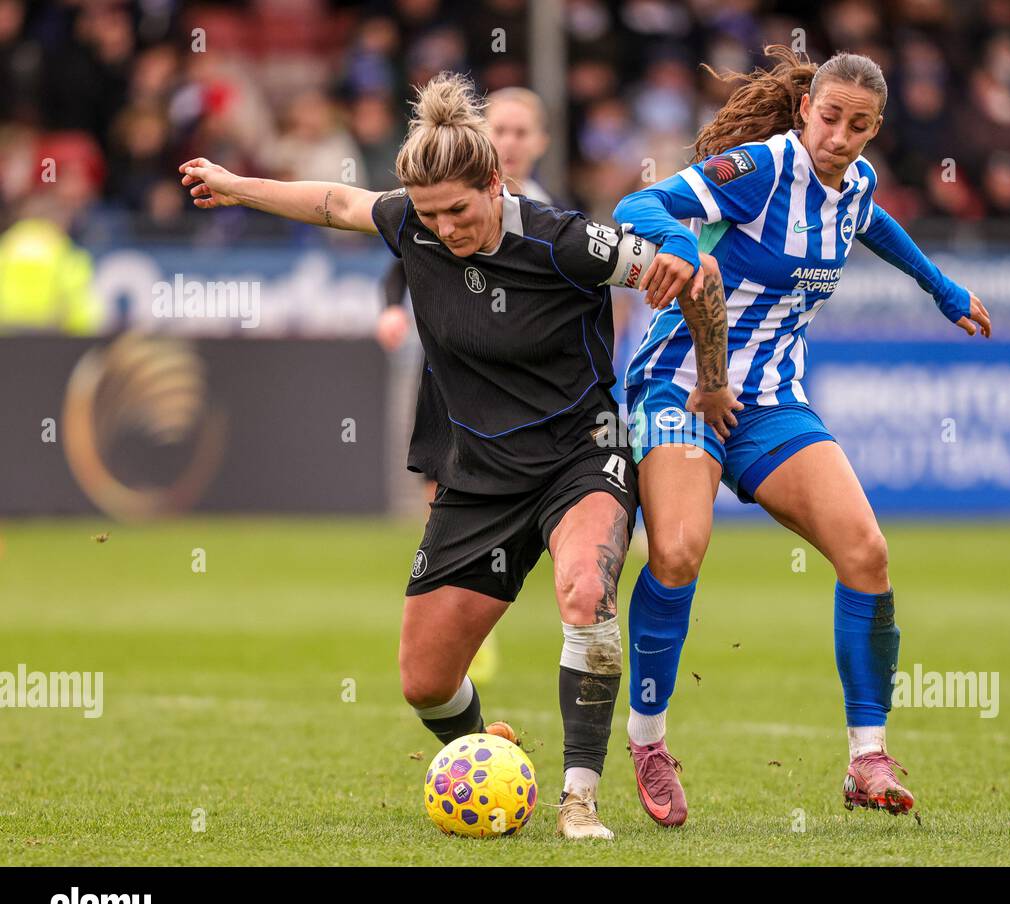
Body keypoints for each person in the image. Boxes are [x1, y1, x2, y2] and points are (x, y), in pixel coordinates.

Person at [177, 72, 729, 839]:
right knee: (426, 682)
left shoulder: (565, 241)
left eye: (459, 211)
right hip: (481, 476)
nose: (443, 229)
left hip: (581, 457)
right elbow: (336, 203)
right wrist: (237, 185)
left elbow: (700, 279)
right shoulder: (413, 225)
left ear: (495, 182)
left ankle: (580, 797)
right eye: (429, 216)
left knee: (584, 593)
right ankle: (490, 752)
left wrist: (709, 382)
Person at [611, 46, 992, 826]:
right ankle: (648, 741)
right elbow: (635, 207)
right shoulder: (757, 169)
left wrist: (940, 287)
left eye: (860, 126)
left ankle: (867, 758)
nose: (841, 137)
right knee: (678, 551)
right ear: (804, 111)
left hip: (771, 401)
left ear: (875, 128)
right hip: (683, 385)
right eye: (829, 118)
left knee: (868, 552)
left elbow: (872, 221)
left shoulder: (857, 184)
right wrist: (681, 243)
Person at [374, 87, 557, 685]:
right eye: (499, 129)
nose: (509, 140)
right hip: (453, 382)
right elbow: (401, 254)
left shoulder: (551, 217)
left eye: (520, 131)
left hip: (533, 406)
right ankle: (469, 632)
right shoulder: (441, 201)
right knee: (444, 493)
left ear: (540, 143)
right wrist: (391, 308)